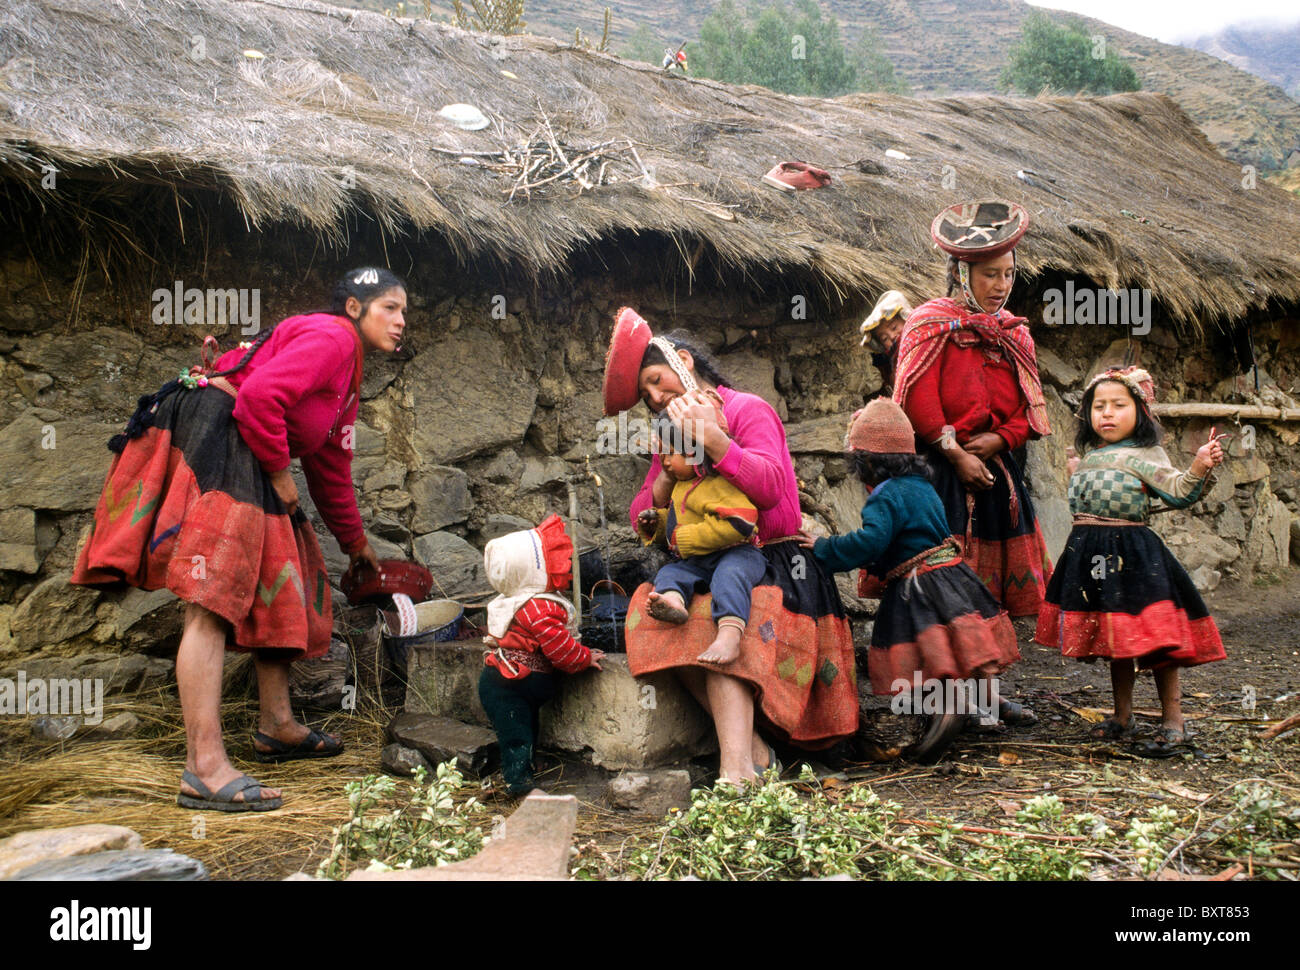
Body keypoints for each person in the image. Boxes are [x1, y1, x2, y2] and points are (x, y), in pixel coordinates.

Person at [72, 267, 407, 811]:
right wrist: (279, 473)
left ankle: (276, 726)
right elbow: (260, 403)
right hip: (221, 433)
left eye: (404, 311)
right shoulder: (332, 339)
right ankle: (203, 769)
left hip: (248, 443)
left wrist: (355, 542)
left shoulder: (347, 371)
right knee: (212, 596)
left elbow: (329, 463)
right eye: (389, 308)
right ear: (353, 309)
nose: (400, 321)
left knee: (283, 578)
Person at [604, 308, 858, 784]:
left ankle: (736, 769)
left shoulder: (746, 410)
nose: (657, 398)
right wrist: (660, 482)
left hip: (774, 563)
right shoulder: (668, 439)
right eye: (646, 395)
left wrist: (715, 440)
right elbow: (644, 515)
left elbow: (771, 489)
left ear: (683, 361)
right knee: (654, 619)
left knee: (720, 623)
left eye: (658, 381)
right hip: (703, 562)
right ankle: (755, 754)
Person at [893, 201, 1049, 726]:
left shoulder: (1015, 334)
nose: (1001, 285)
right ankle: (946, 695)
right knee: (946, 580)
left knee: (990, 588)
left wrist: (999, 440)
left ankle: (989, 694)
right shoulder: (929, 325)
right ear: (962, 271)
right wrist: (956, 451)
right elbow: (916, 400)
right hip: (940, 476)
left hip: (997, 476)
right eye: (989, 275)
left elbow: (1031, 409)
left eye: (1007, 274)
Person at [799, 399, 1020, 758]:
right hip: (952, 575)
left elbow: (871, 542)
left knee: (929, 653)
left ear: (866, 463)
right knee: (962, 644)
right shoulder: (922, 486)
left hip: (918, 586)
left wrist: (826, 547)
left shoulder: (883, 498)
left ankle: (948, 712)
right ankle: (991, 705)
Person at [1035, 367, 1227, 752]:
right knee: (1115, 638)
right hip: (1091, 554)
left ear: (1140, 411)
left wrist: (1200, 466)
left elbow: (1177, 493)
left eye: (1118, 405)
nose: (1107, 413)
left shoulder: (1146, 455)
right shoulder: (1089, 457)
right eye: (1099, 406)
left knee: (1156, 641)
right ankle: (1123, 716)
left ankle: (1174, 720)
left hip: (1134, 555)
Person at [478, 515, 605, 796]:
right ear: (534, 570)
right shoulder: (537, 608)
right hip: (509, 685)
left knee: (525, 726)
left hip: (514, 682)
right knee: (516, 734)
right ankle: (519, 783)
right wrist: (584, 657)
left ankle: (526, 767)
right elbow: (558, 648)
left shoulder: (521, 602)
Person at [635, 410, 764, 665]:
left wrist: (685, 539)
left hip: (738, 554)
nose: (665, 462)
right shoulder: (680, 485)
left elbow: (743, 521)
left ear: (694, 451)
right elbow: (677, 527)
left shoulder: (719, 483)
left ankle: (729, 634)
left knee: (730, 577)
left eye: (671, 453)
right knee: (669, 574)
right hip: (699, 561)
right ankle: (673, 602)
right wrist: (656, 526)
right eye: (663, 455)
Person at [858, 289, 913, 398]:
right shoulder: (895, 370)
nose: (892, 337)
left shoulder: (929, 337)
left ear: (906, 317)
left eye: (894, 327)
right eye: (884, 339)